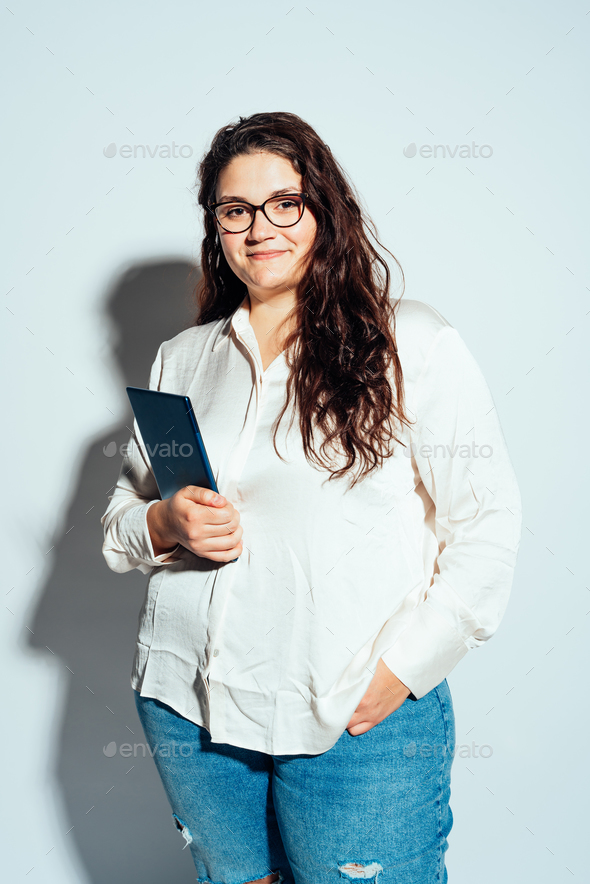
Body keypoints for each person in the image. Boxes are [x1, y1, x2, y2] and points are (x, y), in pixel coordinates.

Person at [101, 111, 522, 884]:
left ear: (324, 209)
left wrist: (403, 668)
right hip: (186, 705)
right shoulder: (184, 358)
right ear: (216, 228)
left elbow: (487, 527)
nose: (261, 228)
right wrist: (163, 520)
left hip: (350, 715)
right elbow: (120, 524)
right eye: (236, 210)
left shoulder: (413, 343)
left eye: (284, 203)